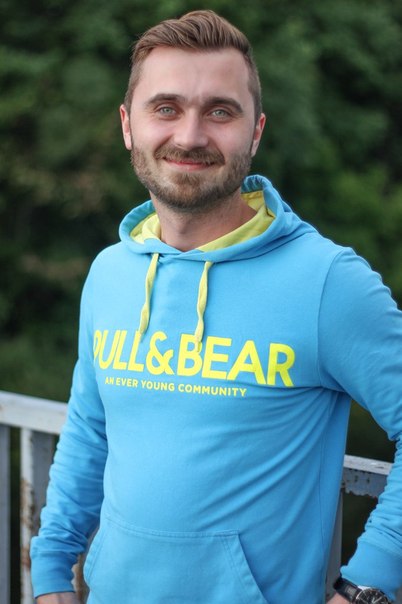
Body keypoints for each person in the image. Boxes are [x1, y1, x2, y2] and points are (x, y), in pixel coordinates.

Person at [30, 10, 402, 604]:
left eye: (220, 112)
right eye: (166, 108)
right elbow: (90, 430)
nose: (190, 136)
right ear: (128, 125)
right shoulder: (110, 273)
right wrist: (51, 568)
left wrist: (364, 587)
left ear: (255, 132)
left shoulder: (328, 282)